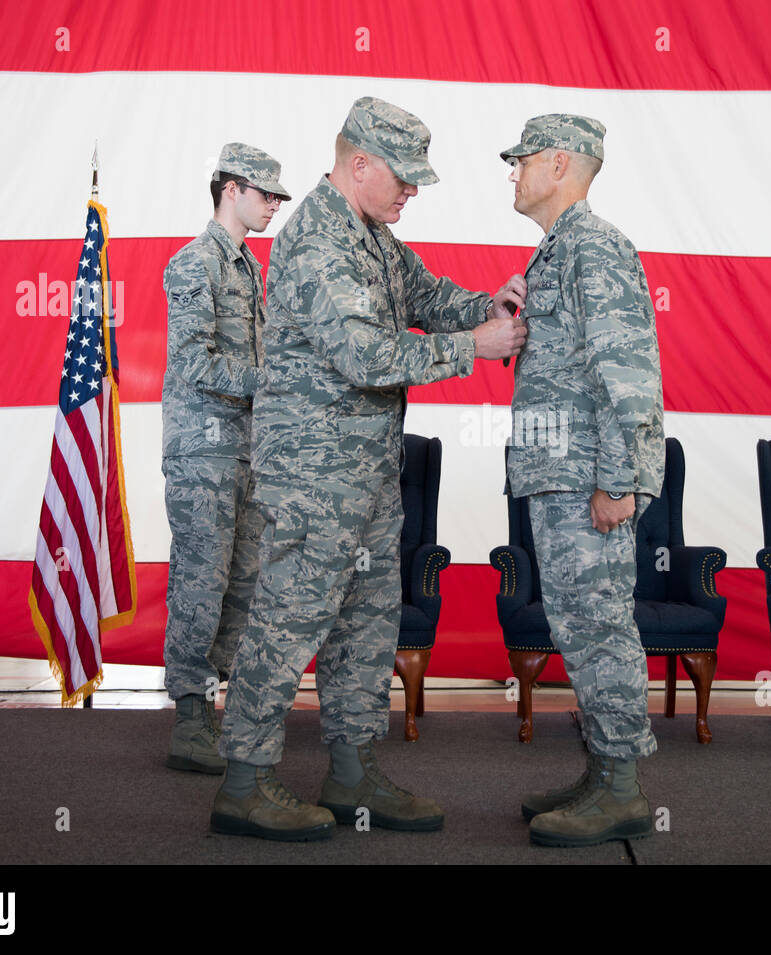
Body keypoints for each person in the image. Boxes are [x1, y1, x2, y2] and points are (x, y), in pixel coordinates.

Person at [209, 97, 527, 842]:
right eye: (403, 175)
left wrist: (486, 305)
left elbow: (426, 296)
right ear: (359, 165)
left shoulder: (374, 236)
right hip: (313, 478)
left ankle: (352, 772)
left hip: (369, 474)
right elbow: (367, 356)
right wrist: (475, 347)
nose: (412, 189)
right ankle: (243, 784)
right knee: (286, 623)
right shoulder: (318, 240)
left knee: (367, 624)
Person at [500, 115, 665, 847]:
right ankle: (602, 772)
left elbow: (625, 372)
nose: (514, 173)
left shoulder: (593, 247)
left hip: (587, 477)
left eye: (523, 160)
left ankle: (622, 789)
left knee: (600, 629)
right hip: (560, 474)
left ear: (560, 164)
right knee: (577, 625)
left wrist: (617, 480)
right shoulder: (558, 250)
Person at [161, 143, 290, 774]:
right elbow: (193, 362)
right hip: (203, 455)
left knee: (243, 582)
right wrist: (274, 383)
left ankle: (216, 705)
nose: (273, 206)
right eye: (266, 194)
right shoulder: (195, 264)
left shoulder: (248, 268)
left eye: (278, 198)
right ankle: (190, 715)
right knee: (201, 582)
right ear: (232, 189)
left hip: (245, 454)